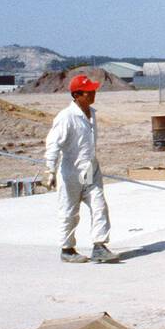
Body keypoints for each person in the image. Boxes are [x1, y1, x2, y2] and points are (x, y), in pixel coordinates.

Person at [44, 74, 118, 264]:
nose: (93, 94)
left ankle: (100, 246)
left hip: (91, 169)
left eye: (94, 91)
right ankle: (67, 249)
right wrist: (50, 170)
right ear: (77, 95)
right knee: (69, 212)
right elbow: (53, 144)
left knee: (99, 206)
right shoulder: (66, 117)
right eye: (89, 92)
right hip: (71, 171)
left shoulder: (92, 113)